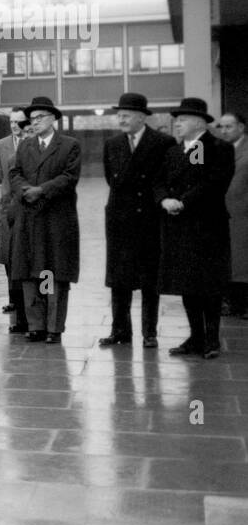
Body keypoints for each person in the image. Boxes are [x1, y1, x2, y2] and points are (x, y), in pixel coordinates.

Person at [157, 97, 236, 360]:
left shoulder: (219, 148)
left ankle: (212, 340)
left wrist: (183, 201)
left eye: (183, 119)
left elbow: (213, 183)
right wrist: (164, 200)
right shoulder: (172, 152)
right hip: (178, 226)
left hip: (206, 228)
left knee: (208, 285)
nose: (177, 124)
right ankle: (196, 337)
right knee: (187, 285)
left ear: (200, 122)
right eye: (176, 120)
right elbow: (159, 182)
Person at [99, 93, 176, 349]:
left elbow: (164, 179)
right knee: (119, 280)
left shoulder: (163, 142)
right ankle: (120, 330)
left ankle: (149, 333)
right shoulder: (112, 144)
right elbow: (112, 179)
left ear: (142, 117)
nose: (121, 119)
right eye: (119, 114)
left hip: (149, 221)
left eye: (127, 115)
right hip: (119, 219)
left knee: (149, 280)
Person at [8, 96, 81, 345]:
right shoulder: (26, 146)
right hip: (29, 217)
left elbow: (70, 177)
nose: (35, 122)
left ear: (53, 119)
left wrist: (42, 190)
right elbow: (14, 173)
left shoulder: (69, 145)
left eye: (40, 117)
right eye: (33, 118)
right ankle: (36, 324)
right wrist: (24, 189)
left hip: (55, 220)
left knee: (51, 272)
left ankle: (53, 326)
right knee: (31, 273)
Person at [0, 110, 30, 332]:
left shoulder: (32, 142)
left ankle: (32, 303)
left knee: (26, 258)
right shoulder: (1, 145)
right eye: (11, 122)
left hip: (27, 204)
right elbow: (0, 175)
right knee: (8, 257)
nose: (14, 125)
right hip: (7, 206)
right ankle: (14, 298)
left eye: (18, 122)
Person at [217, 111, 248, 318]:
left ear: (241, 128)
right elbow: (193, 168)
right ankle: (230, 302)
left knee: (243, 260)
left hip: (243, 214)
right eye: (221, 127)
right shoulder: (213, 148)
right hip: (221, 215)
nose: (224, 131)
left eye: (229, 126)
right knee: (227, 260)